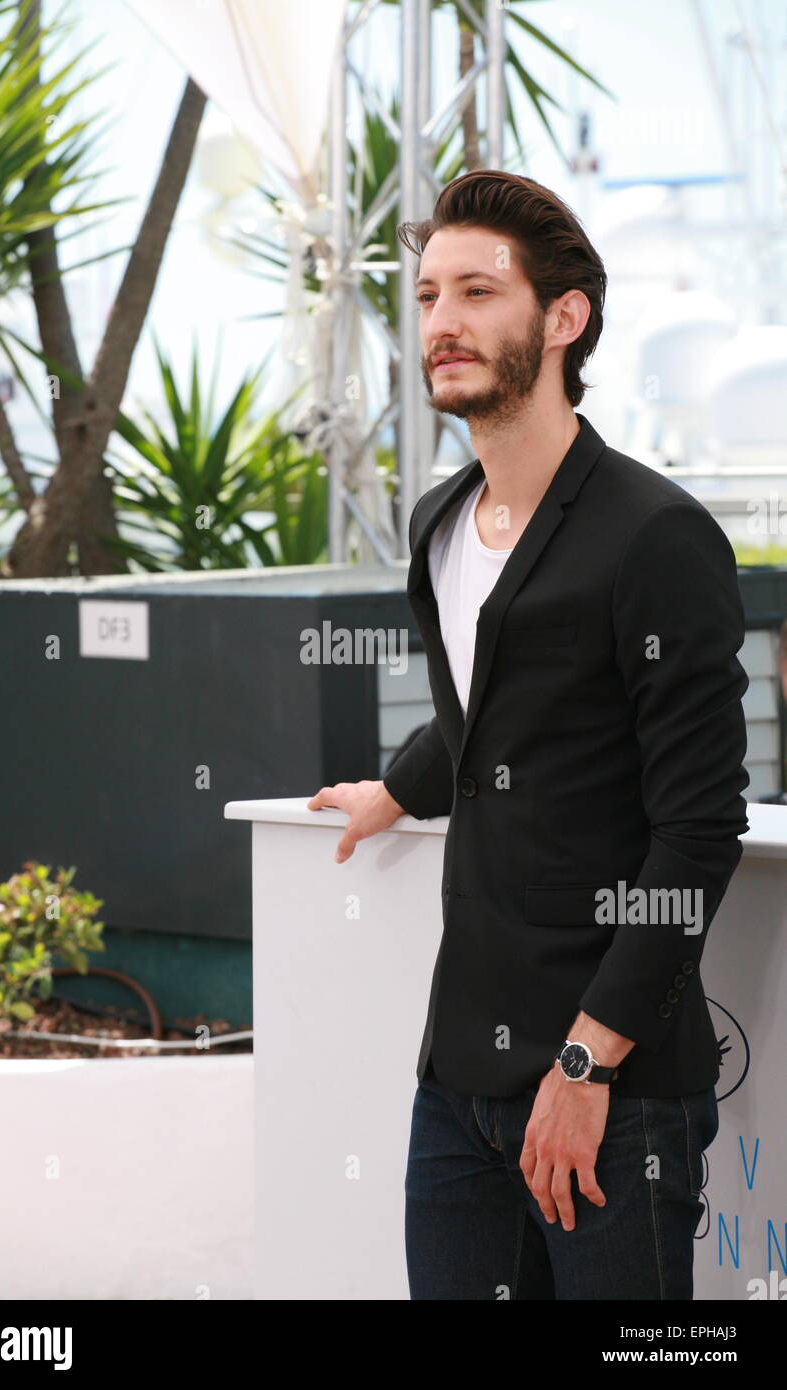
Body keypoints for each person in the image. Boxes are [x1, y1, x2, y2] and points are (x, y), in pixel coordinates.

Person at [307, 170, 750, 1300]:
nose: (441, 322)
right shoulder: (439, 525)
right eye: (423, 296)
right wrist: (398, 789)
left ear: (562, 319)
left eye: (476, 291)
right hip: (456, 1078)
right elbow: (481, 706)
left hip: (612, 1081)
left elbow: (695, 833)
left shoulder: (656, 536)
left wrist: (583, 1060)